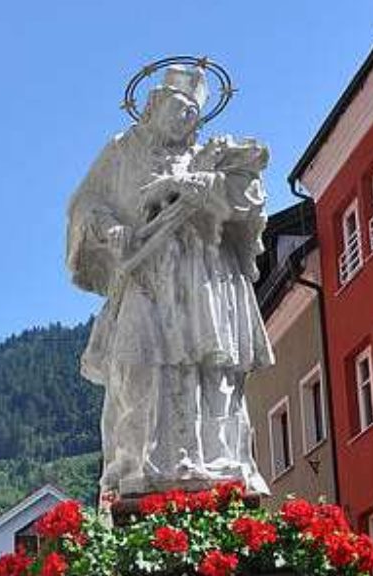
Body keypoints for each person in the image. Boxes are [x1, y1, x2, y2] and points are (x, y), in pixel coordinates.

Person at [66, 65, 273, 498]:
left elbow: (249, 201)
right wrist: (110, 228)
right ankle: (139, 464)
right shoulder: (122, 150)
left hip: (204, 274)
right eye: (179, 107)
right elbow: (85, 204)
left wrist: (192, 184)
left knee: (207, 365)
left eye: (193, 112)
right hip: (145, 273)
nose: (186, 117)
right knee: (136, 362)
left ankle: (210, 463)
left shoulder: (211, 156)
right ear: (154, 105)